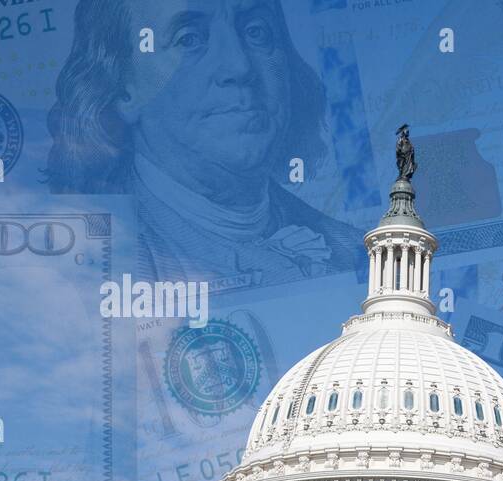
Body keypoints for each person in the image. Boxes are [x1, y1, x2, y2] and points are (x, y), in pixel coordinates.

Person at [46, 0, 360, 286]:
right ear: (124, 91)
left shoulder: (359, 254)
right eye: (188, 39)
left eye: (256, 31)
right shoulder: (84, 270)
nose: (240, 66)